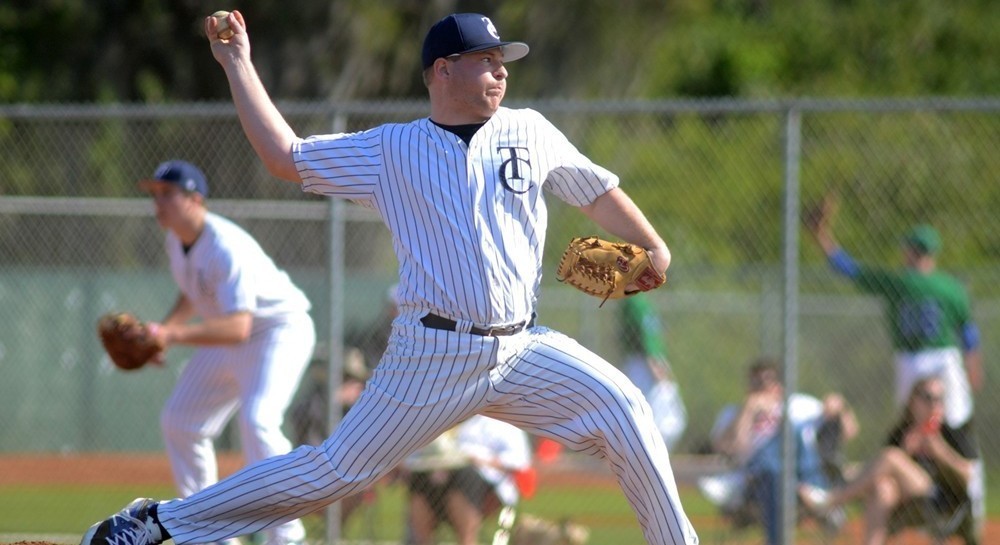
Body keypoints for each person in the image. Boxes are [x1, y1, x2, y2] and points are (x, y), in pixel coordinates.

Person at [80, 11, 698, 545]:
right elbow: (283, 156)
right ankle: (159, 522)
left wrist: (652, 246)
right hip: (431, 352)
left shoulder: (528, 129)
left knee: (627, 412)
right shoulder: (392, 150)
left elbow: (595, 189)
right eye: (484, 59)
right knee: (332, 474)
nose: (500, 70)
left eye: (502, 59)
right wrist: (237, 61)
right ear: (442, 71)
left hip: (522, 346)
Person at [135, 159, 316, 545]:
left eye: (167, 194)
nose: (158, 202)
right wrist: (163, 331)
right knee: (181, 420)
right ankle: (208, 533)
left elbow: (240, 327)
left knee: (258, 421)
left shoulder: (225, 246)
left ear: (195, 199)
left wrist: (173, 336)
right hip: (232, 336)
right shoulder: (176, 240)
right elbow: (193, 292)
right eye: (155, 194)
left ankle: (287, 536)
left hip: (276, 331)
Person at [808, 219, 983, 430]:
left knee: (910, 423)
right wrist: (973, 368)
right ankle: (968, 462)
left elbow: (849, 269)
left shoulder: (896, 282)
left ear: (911, 251)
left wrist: (821, 236)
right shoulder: (951, 288)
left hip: (909, 360)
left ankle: (912, 460)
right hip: (944, 357)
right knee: (958, 419)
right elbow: (969, 334)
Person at [799, 376, 980, 545]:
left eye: (939, 399)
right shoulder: (901, 432)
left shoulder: (951, 433)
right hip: (904, 500)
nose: (934, 404)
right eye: (927, 397)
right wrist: (907, 452)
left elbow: (968, 475)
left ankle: (831, 500)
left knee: (891, 457)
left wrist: (939, 451)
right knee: (882, 488)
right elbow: (880, 470)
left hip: (940, 497)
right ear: (913, 402)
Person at [699, 357, 858, 544]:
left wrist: (841, 408)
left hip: (801, 474)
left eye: (767, 382)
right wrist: (748, 412)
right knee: (771, 466)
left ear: (778, 386)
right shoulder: (734, 413)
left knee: (792, 430)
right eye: (755, 383)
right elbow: (728, 450)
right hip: (757, 482)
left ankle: (810, 488)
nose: (761, 388)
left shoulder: (798, 406)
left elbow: (849, 431)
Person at [401, 415, 532, 545]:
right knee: (421, 474)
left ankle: (467, 540)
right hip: (443, 476)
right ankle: (420, 540)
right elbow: (413, 459)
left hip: (486, 484)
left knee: (465, 473)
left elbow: (519, 460)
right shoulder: (447, 418)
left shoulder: (503, 422)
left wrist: (481, 460)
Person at [619, 293, 687, 449]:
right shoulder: (637, 302)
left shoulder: (638, 300)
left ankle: (643, 457)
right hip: (646, 365)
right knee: (663, 420)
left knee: (652, 418)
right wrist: (656, 365)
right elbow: (645, 336)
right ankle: (647, 459)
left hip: (644, 363)